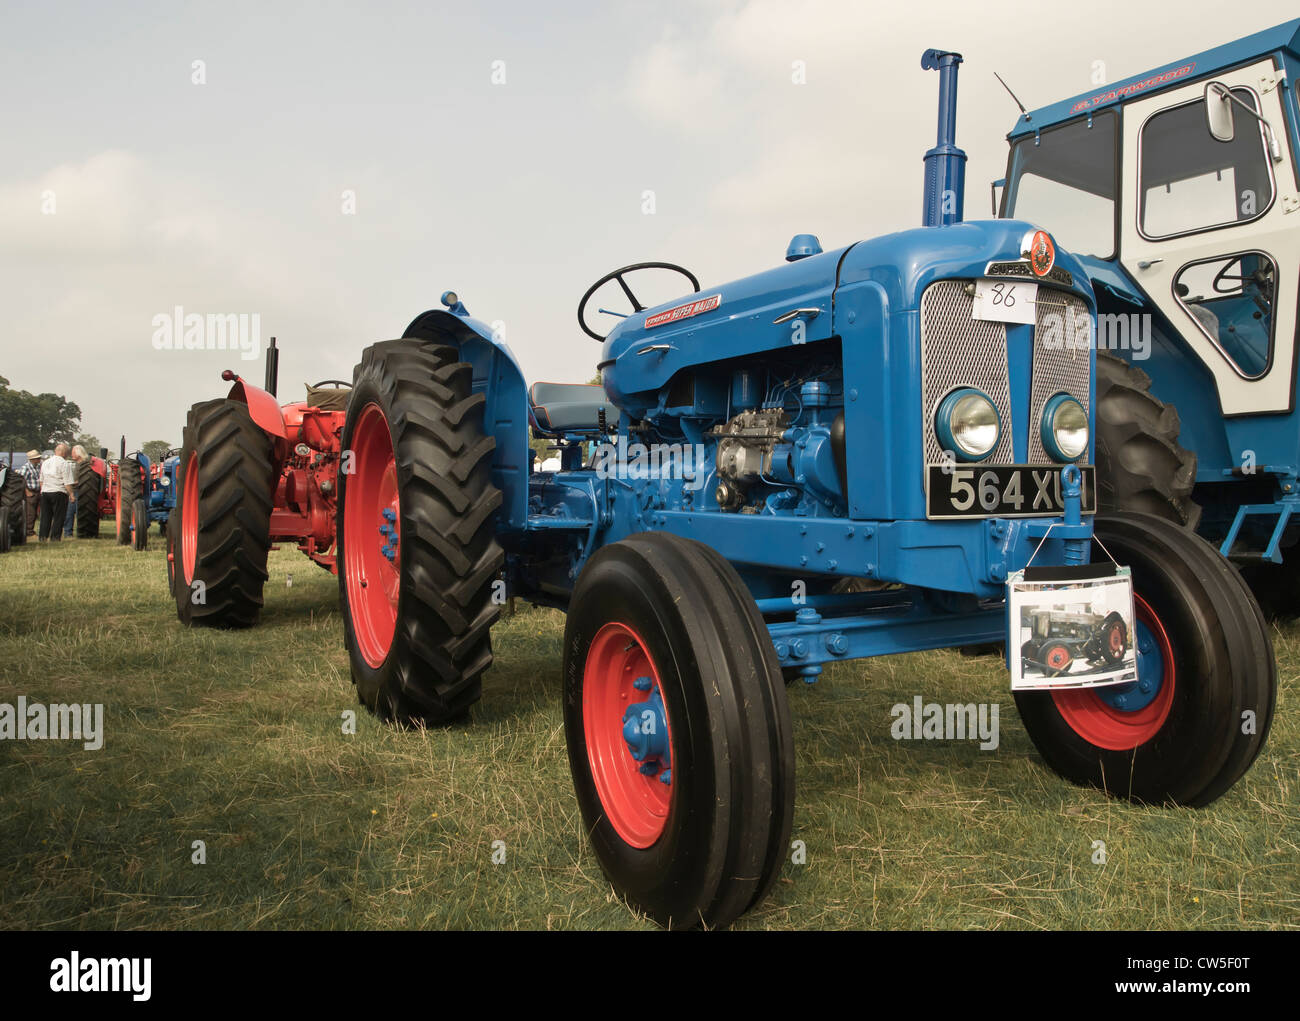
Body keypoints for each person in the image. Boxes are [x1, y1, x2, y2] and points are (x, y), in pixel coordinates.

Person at [38, 443, 75, 543]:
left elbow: (41, 479)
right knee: (59, 516)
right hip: (59, 492)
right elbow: (67, 482)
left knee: (45, 516)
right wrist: (71, 494)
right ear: (64, 453)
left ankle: (43, 536)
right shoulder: (64, 463)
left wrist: (43, 490)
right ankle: (55, 537)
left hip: (45, 491)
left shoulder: (45, 463)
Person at [64, 445, 87, 538]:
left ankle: (74, 532)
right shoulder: (76, 464)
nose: (71, 454)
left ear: (78, 453)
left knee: (75, 512)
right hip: (74, 490)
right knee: (70, 512)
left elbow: (82, 479)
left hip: (78, 491)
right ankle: (68, 532)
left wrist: (71, 483)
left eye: (73, 452)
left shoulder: (83, 465)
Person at [21, 449, 41, 537]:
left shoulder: (38, 466)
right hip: (30, 492)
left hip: (38, 491)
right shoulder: (25, 467)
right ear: (32, 459)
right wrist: (27, 491)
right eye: (37, 458)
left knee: (36, 512)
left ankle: (32, 530)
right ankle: (29, 531)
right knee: (30, 513)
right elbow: (21, 481)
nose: (39, 459)